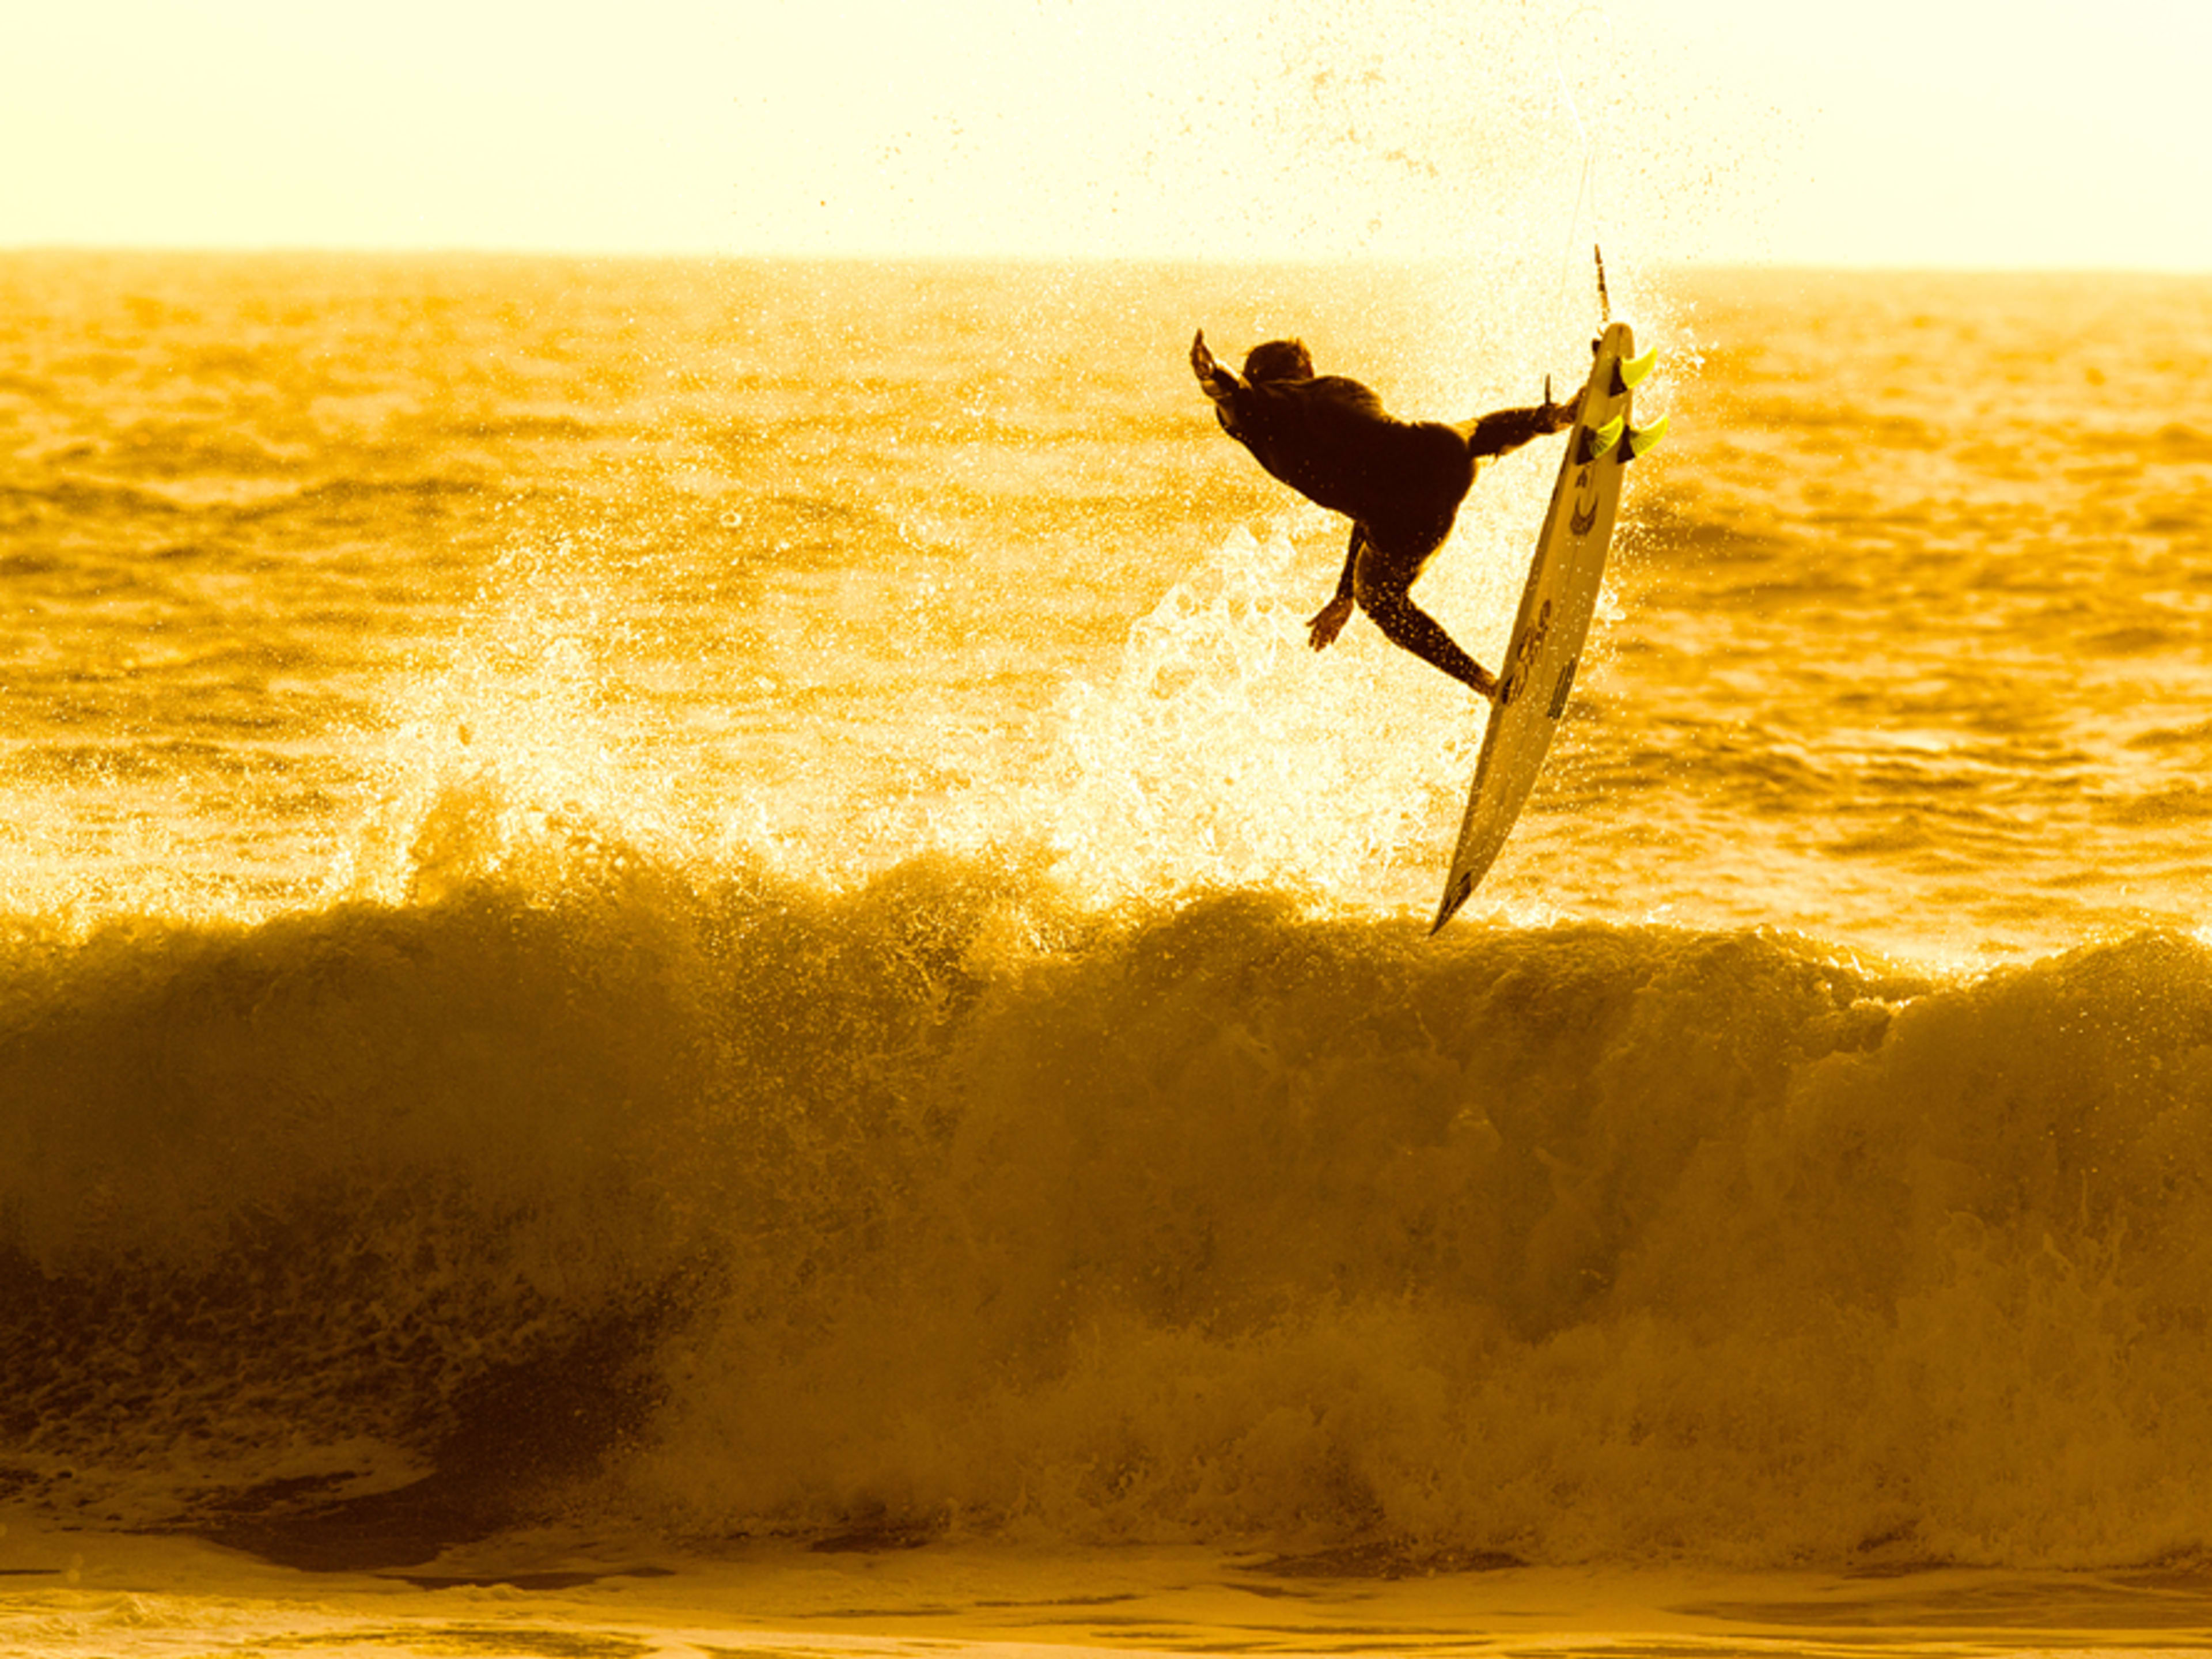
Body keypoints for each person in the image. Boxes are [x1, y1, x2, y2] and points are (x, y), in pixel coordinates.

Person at [1191, 329, 1579, 699]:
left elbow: (1234, 399)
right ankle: (1556, 417)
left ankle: (1489, 685)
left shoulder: (1263, 414)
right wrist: (1342, 595)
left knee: (1378, 598)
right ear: (1308, 369)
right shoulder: (1342, 387)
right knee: (1468, 432)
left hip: (1405, 520)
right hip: (1443, 454)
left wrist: (1212, 374)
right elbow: (1379, 478)